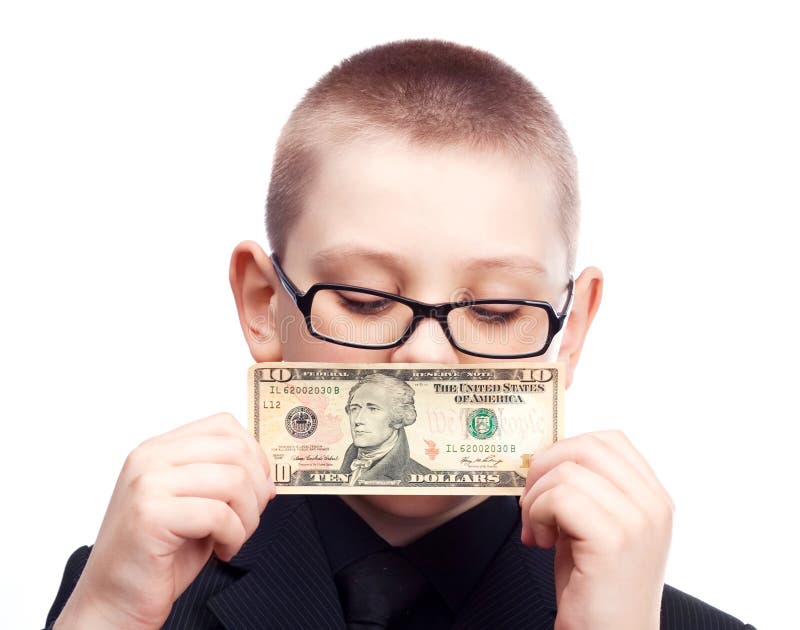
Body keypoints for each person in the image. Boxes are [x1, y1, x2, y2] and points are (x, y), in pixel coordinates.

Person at [45, 39, 755, 629]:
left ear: (570, 334)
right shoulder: (127, 590)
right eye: (362, 299)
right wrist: (104, 613)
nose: (423, 356)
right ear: (265, 304)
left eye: (498, 310)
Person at [340, 373, 431, 485]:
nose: (358, 420)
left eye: (373, 409)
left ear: (398, 418)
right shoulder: (344, 467)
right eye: (354, 409)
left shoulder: (422, 478)